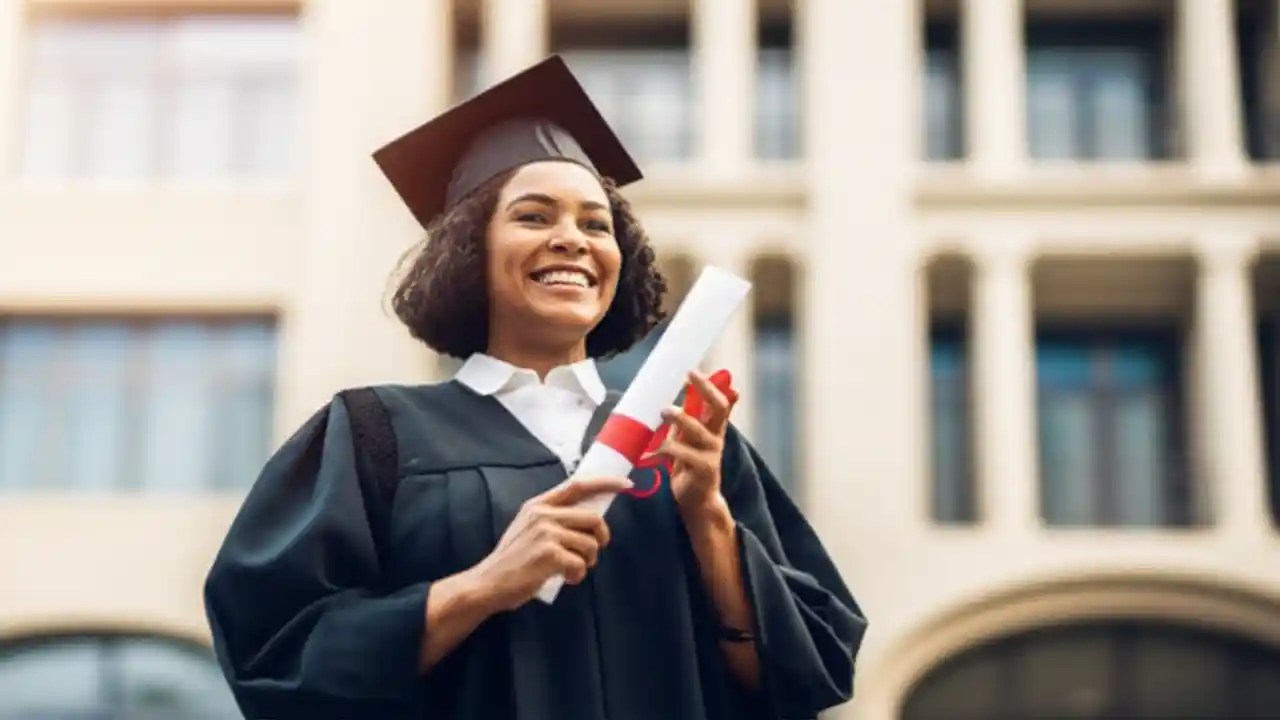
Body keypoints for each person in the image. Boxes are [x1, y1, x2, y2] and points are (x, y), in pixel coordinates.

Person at [203, 55, 866, 720]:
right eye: (534, 216)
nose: (572, 240)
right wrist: (482, 587)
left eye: (596, 224)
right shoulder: (374, 435)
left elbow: (802, 678)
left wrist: (710, 523)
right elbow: (276, 660)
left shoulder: (688, 444)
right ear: (470, 248)